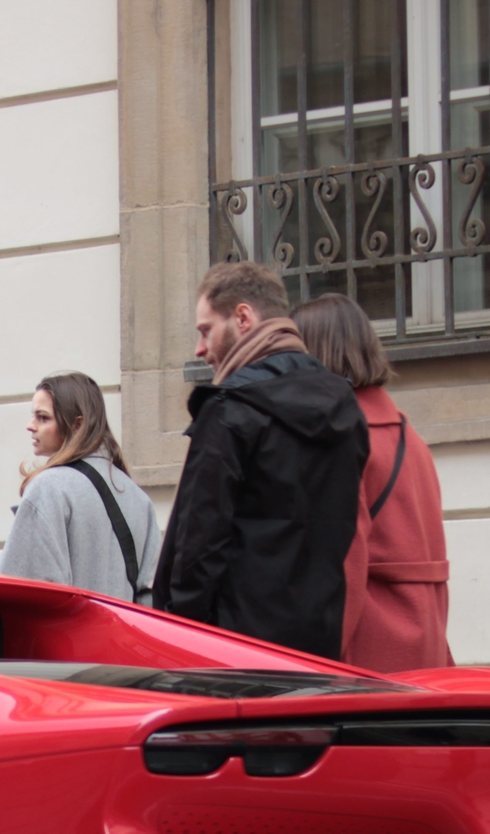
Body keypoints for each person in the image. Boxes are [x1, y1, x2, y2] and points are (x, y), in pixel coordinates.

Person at [149, 262, 368, 660]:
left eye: (205, 330)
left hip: (234, 657)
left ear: (243, 318)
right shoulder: (346, 408)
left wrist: (179, 644)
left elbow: (197, 548)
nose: (200, 349)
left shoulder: (229, 410)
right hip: (316, 650)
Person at [290, 293, 451, 671]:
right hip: (426, 644)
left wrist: (316, 666)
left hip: (370, 651)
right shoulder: (409, 436)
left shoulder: (345, 440)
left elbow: (342, 568)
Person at [0, 371, 159, 599]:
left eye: (43, 418)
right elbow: (149, 598)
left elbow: (22, 594)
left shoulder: (48, 488)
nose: (30, 426)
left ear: (77, 424)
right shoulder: (138, 498)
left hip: (68, 624)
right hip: (119, 624)